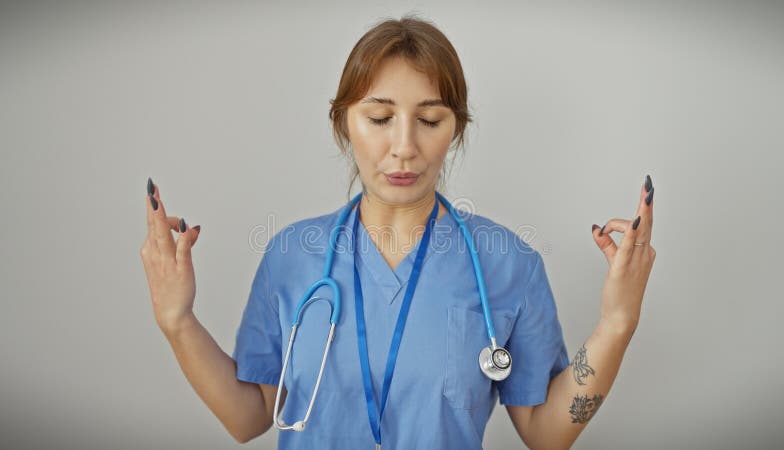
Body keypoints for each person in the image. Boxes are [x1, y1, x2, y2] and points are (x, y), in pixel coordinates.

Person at [140, 14, 656, 450]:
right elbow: (250, 416)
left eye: (429, 120)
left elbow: (545, 435)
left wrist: (617, 321)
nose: (404, 146)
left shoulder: (509, 264)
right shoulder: (292, 256)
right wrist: (177, 320)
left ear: (456, 129)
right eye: (380, 117)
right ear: (344, 124)